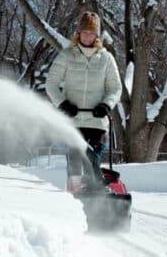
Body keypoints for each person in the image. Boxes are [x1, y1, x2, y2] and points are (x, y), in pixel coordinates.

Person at [46, 11, 122, 191]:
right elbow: (51, 83)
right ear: (78, 33)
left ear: (97, 35)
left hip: (96, 121)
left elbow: (115, 87)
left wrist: (106, 105)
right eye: (84, 32)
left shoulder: (106, 58)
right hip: (73, 121)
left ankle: (97, 195)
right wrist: (62, 104)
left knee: (92, 160)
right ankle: (75, 196)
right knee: (75, 161)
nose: (87, 36)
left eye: (91, 33)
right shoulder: (67, 55)